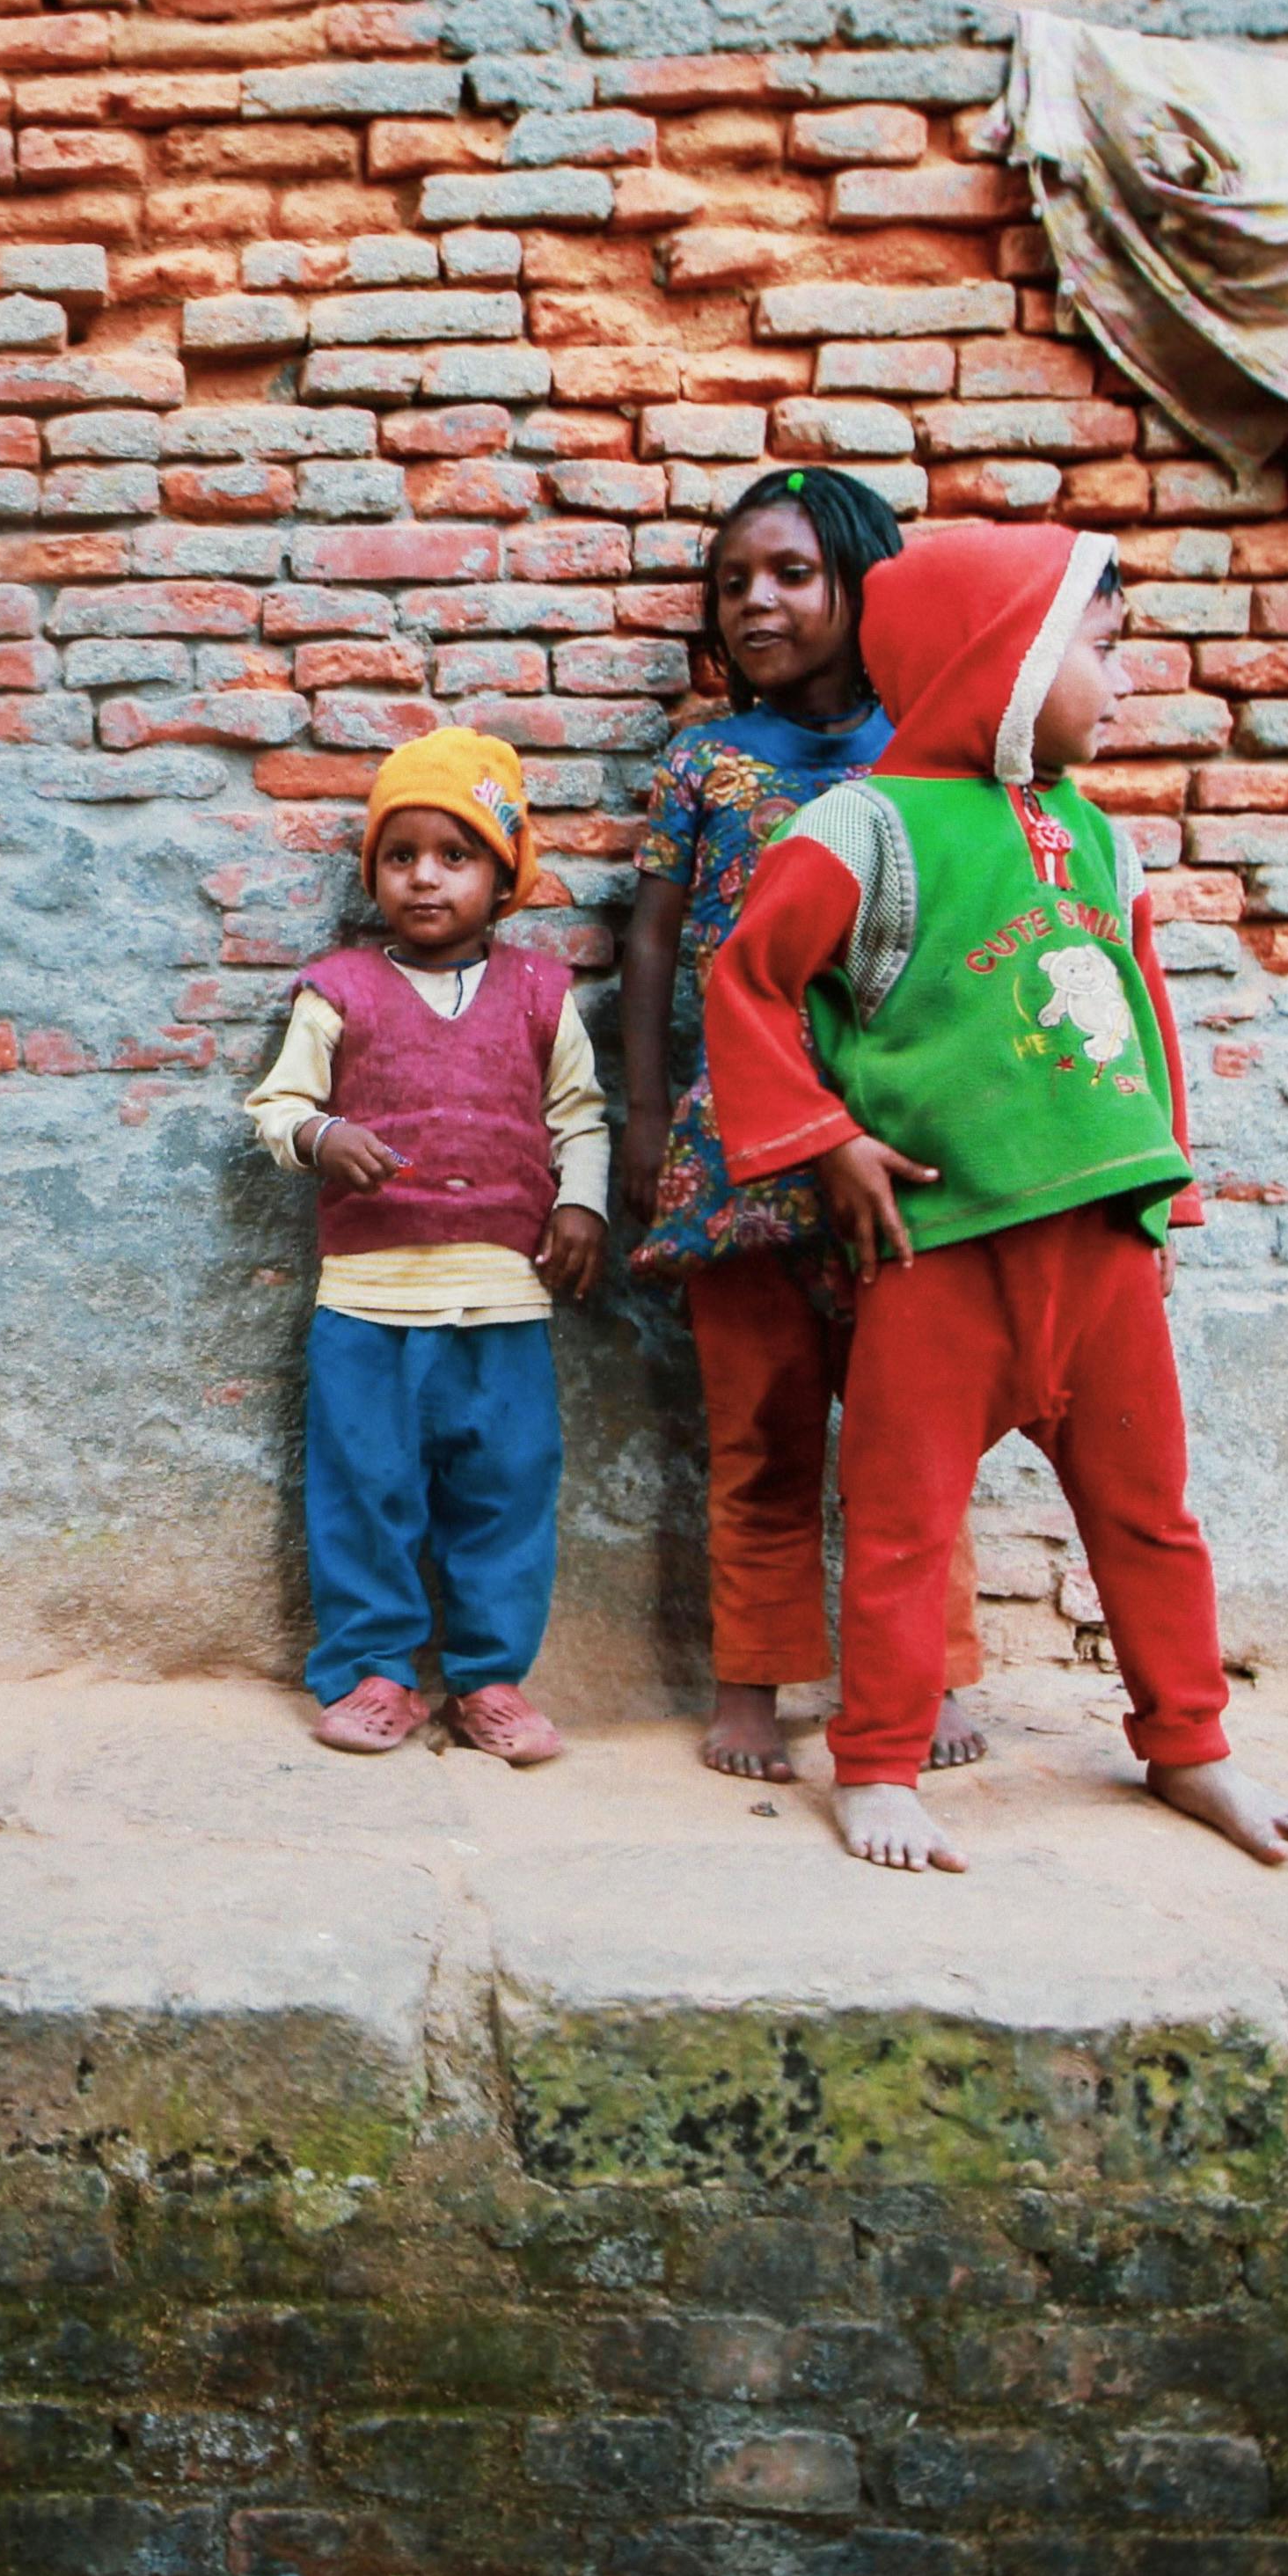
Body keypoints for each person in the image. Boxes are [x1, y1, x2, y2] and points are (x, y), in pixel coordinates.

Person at [704, 522, 1288, 1876]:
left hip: (1100, 1254)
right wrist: (824, 1138)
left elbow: (1146, 1015)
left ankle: (1190, 1744)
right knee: (905, 1520)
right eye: (1097, 654)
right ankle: (876, 1766)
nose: (1119, 685)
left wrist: (1166, 1196)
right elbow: (749, 980)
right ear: (1008, 658)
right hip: (944, 1252)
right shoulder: (867, 824)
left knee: (1152, 1514)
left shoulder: (1102, 842)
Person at [622, 467, 991, 1785]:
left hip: (902, 1142)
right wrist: (646, 1116)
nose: (755, 603)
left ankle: (926, 1669)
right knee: (758, 1424)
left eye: (788, 574)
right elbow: (656, 938)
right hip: (735, 1149)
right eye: (731, 585)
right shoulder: (703, 762)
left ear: (864, 583)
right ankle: (749, 1683)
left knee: (914, 1428)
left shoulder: (934, 751)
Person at [247, 728, 608, 1765]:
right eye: (399, 855)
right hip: (366, 1303)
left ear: (502, 876)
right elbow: (277, 1105)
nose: (423, 877)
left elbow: (577, 1116)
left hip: (502, 1301)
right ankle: (374, 1672)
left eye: (454, 856)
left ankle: (490, 1680)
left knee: (505, 1488)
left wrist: (577, 1207)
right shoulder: (339, 988)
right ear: (373, 873)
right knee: (364, 1487)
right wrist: (321, 1135)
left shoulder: (542, 995)